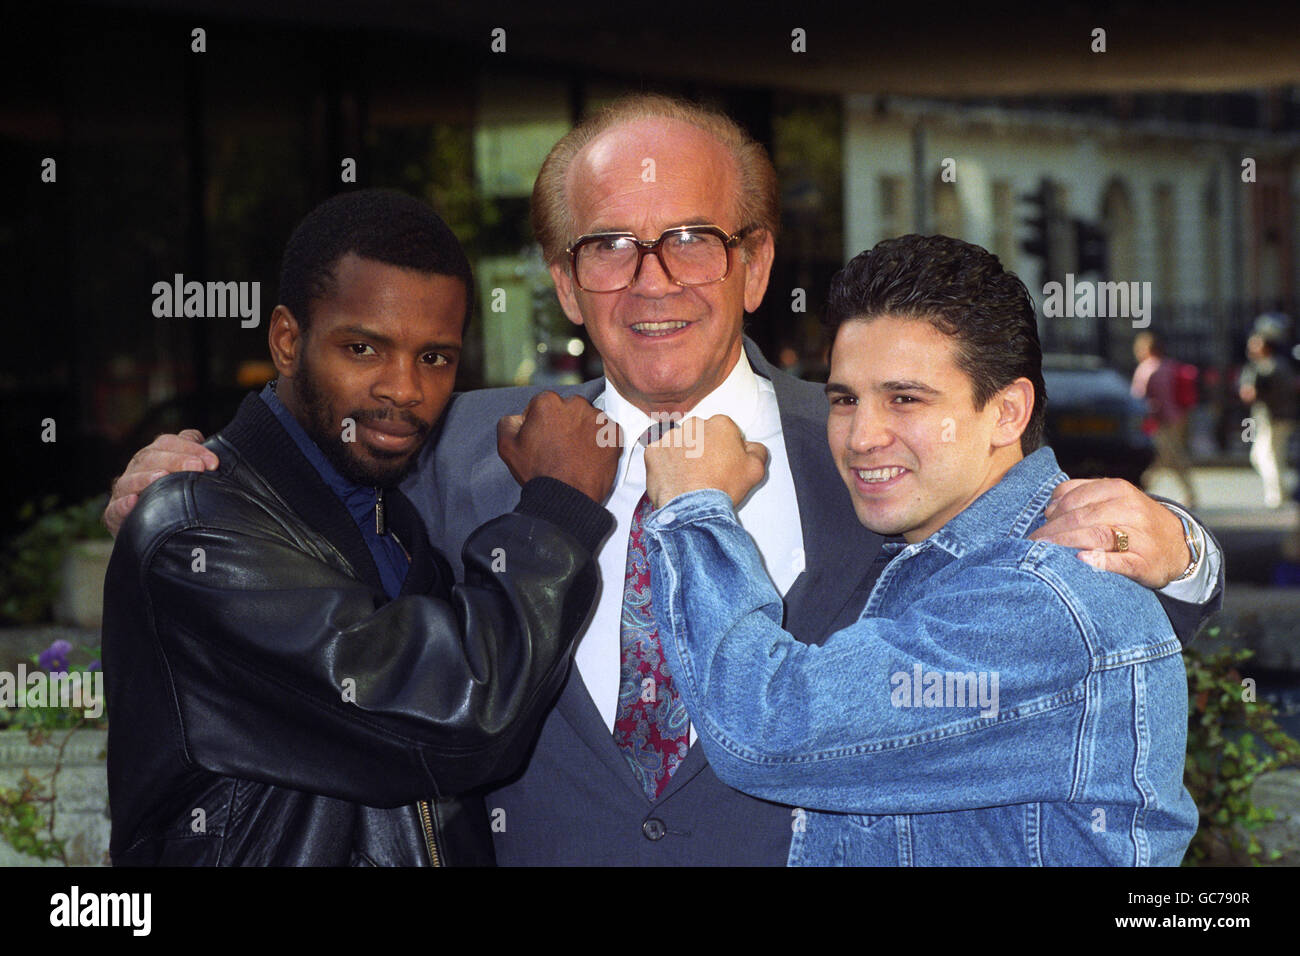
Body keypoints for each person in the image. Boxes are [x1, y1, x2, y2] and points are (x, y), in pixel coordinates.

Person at [104, 95, 1222, 866]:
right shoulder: (448, 450)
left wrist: (1184, 544)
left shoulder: (883, 445)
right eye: (608, 245)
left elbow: (1063, 559)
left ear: (754, 262)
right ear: (560, 279)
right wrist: (188, 475)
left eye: (689, 236)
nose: (652, 281)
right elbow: (303, 500)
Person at [641, 235, 1199, 864]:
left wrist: (692, 506)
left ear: (1007, 412)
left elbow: (767, 728)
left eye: (905, 399)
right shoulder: (924, 544)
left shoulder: (1041, 596)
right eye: (845, 399)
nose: (861, 436)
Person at [102, 190, 617, 866]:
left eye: (434, 358)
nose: (403, 388)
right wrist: (558, 507)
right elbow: (461, 716)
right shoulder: (197, 535)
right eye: (364, 347)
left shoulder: (392, 518)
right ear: (288, 341)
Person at [1131, 331, 1198, 507]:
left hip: (1159, 421)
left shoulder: (1146, 369)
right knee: (1165, 457)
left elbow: (1137, 397)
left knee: (1168, 457)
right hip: (1177, 417)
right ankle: (1141, 488)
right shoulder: (1170, 365)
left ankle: (1140, 488)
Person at [1239, 318, 1297, 508]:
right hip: (1275, 417)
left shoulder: (1269, 367)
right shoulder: (1272, 365)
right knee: (1267, 456)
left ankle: (1277, 495)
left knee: (1267, 456)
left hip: (1275, 418)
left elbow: (1253, 393)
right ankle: (1281, 491)